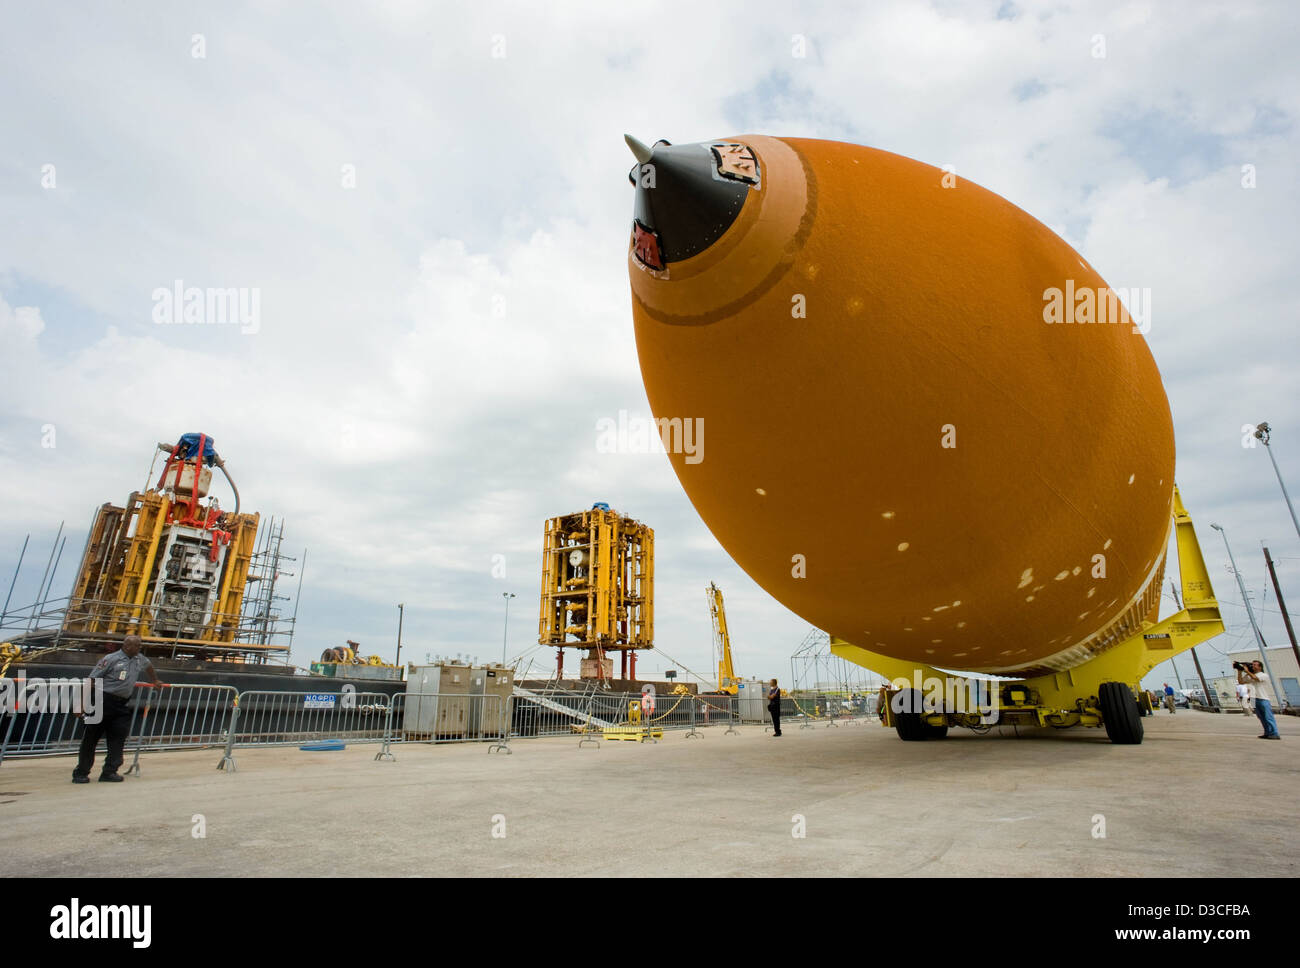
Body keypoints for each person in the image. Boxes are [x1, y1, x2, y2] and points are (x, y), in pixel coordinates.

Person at [72, 634, 165, 783]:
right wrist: (80, 704)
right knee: (91, 738)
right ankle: (81, 772)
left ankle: (109, 771)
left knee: (118, 738)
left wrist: (154, 680)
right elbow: (92, 680)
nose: (139, 648)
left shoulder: (139, 659)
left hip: (121, 705)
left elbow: (148, 666)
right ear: (127, 646)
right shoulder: (110, 659)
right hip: (102, 701)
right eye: (137, 645)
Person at [1237, 661, 1280, 740]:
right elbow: (1241, 681)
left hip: (1263, 698)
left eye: (1254, 665)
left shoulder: (1263, 675)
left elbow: (1256, 678)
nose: (1252, 666)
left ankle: (1275, 733)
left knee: (1268, 717)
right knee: (1261, 717)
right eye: (1252, 665)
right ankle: (1267, 733)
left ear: (1260, 667)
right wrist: (1239, 671)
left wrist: (1247, 671)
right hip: (1253, 698)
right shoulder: (1250, 675)